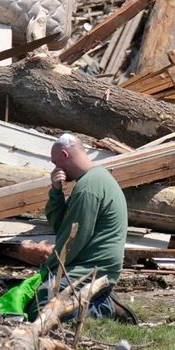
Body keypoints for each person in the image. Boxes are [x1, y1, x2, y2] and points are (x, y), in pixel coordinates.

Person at [36, 134, 128, 319]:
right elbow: (61, 226)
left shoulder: (88, 187)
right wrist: (56, 191)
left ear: (65, 154)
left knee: (42, 304)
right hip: (88, 265)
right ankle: (95, 301)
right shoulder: (91, 179)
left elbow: (73, 238)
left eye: (56, 162)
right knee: (42, 296)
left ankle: (104, 308)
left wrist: (48, 269)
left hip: (94, 268)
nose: (55, 168)